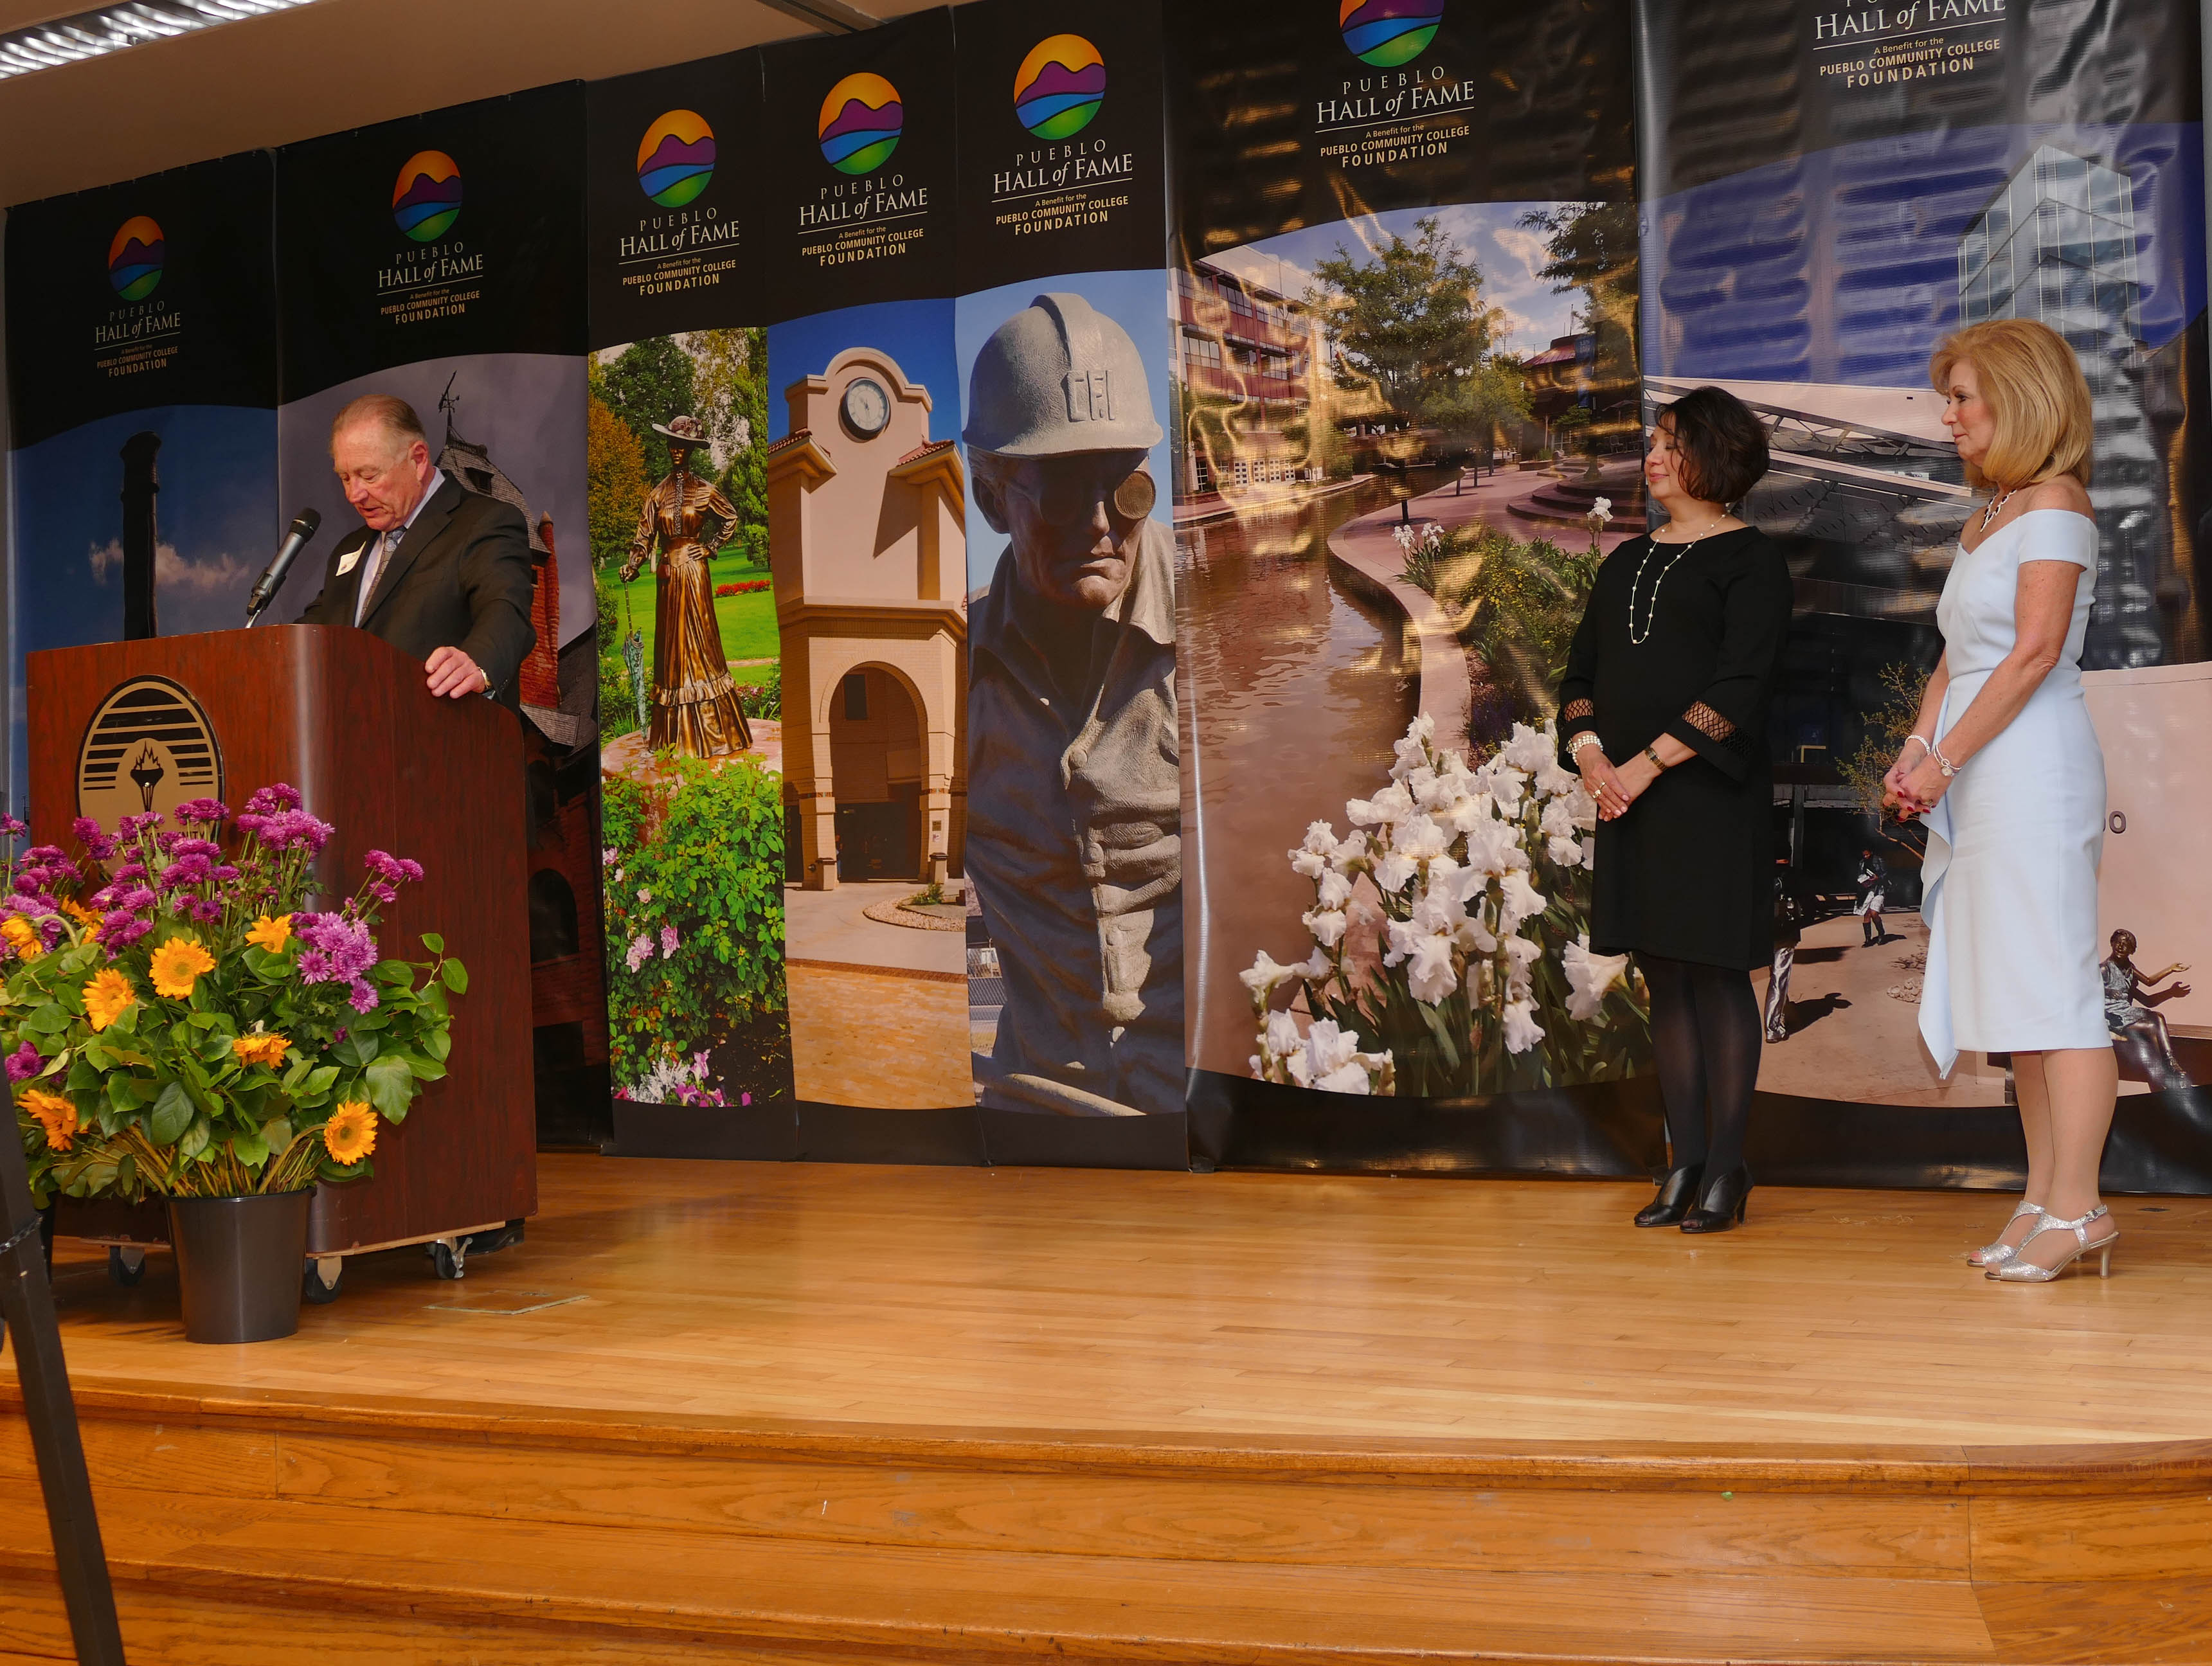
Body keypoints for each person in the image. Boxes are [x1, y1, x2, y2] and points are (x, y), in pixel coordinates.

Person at [1884, 317, 2116, 1284]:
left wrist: (1947, 762)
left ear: (2018, 400)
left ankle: (2083, 1208)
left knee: (2057, 998)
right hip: (1981, 767)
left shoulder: (2057, 506)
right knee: (2019, 1002)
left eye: (1962, 397)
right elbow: (1955, 661)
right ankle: (2039, 1197)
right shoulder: (1991, 516)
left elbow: (2029, 656)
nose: (1948, 416)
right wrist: (1916, 748)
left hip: (2031, 768)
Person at [1559, 387, 1792, 1232]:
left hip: (1708, 799)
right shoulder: (1625, 559)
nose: (1652, 456)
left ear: (1716, 456)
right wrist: (1590, 756)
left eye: (1670, 442)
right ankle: (1681, 1163)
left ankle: (1727, 1169)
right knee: (1663, 978)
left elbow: (1741, 685)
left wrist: (1646, 764)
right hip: (1627, 799)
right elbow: (1577, 677)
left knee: (1715, 976)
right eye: (1652, 442)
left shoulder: (1751, 560)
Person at [962, 294, 1182, 1118]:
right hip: (1039, 1104)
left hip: (1199, 1104)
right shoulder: (953, 676)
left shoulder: (1223, 636)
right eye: (1058, 494)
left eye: (1123, 489)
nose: (1098, 525)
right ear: (991, 500)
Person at [298, 395, 535, 705]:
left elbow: (506, 607)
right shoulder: (350, 549)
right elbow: (316, 630)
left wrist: (478, 662)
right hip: (356, 742)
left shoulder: (484, 522)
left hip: (448, 738)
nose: (354, 495)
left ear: (419, 459)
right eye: (345, 477)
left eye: (369, 476)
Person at [618, 414, 754, 757]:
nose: (675, 450)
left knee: (703, 642)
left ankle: (716, 734)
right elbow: (644, 537)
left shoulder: (705, 490)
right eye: (672, 444)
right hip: (668, 576)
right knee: (671, 645)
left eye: (682, 445)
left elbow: (731, 517)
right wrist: (633, 566)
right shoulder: (657, 494)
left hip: (694, 573)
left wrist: (710, 547)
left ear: (691, 449)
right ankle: (674, 738)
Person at [2101, 929, 2191, 1092]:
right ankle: (2167, 1074)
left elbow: (2149, 990)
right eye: (2118, 942)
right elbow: (2085, 991)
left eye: (2126, 945)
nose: (2121, 947)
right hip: (2112, 1017)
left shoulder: (2129, 970)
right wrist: (2106, 991)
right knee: (2151, 1029)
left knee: (2157, 1017)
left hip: (2126, 1012)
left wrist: (2171, 986)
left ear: (2131, 951)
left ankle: (2170, 1064)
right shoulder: (2104, 969)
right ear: (2112, 943)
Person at [1766, 858, 1808, 1043]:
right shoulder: (1793, 875)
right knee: (1779, 979)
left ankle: (1784, 1013)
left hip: (1764, 933)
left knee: (1775, 976)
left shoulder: (1760, 871)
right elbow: (1806, 900)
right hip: (1785, 933)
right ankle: (1773, 1028)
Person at [1854, 846, 1889, 945]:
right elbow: (1859, 875)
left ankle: (1881, 933)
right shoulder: (1862, 863)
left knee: (1874, 913)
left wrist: (1878, 878)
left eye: (1867, 854)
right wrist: (1862, 881)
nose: (1865, 857)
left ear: (1871, 852)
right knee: (1866, 914)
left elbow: (1886, 873)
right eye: (1864, 855)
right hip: (1866, 891)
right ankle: (1868, 939)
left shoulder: (1879, 860)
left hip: (1878, 890)